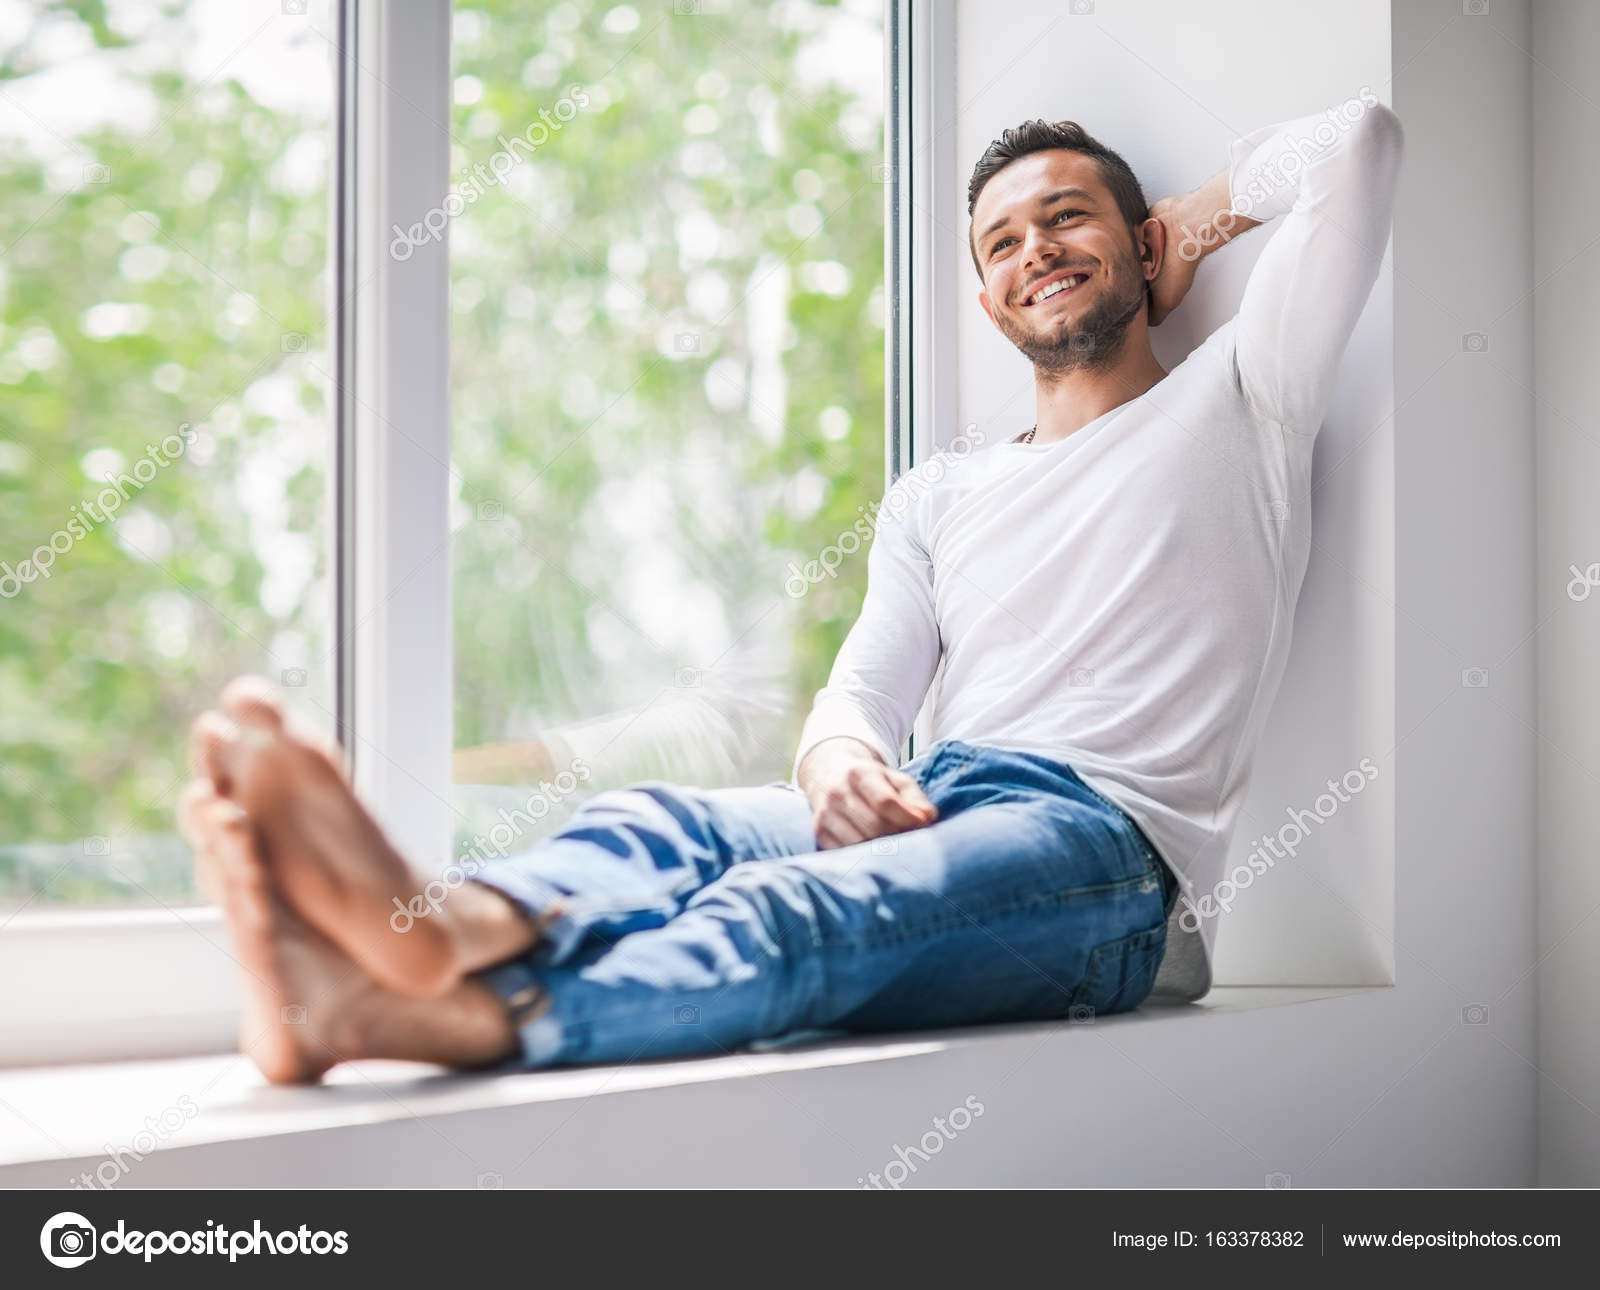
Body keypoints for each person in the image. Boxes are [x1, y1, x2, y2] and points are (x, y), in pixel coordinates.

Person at [179, 96, 1405, 1082]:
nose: (1036, 251)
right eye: (1004, 243)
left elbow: (1358, 144)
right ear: (987, 304)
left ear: (1140, 246)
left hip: (1104, 853)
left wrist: (1182, 220)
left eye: (1068, 219)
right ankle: (431, 938)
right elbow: (864, 682)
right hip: (936, 794)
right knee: (666, 825)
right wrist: (834, 761)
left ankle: (425, 1017)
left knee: (800, 916)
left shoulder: (1243, 395)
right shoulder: (940, 493)